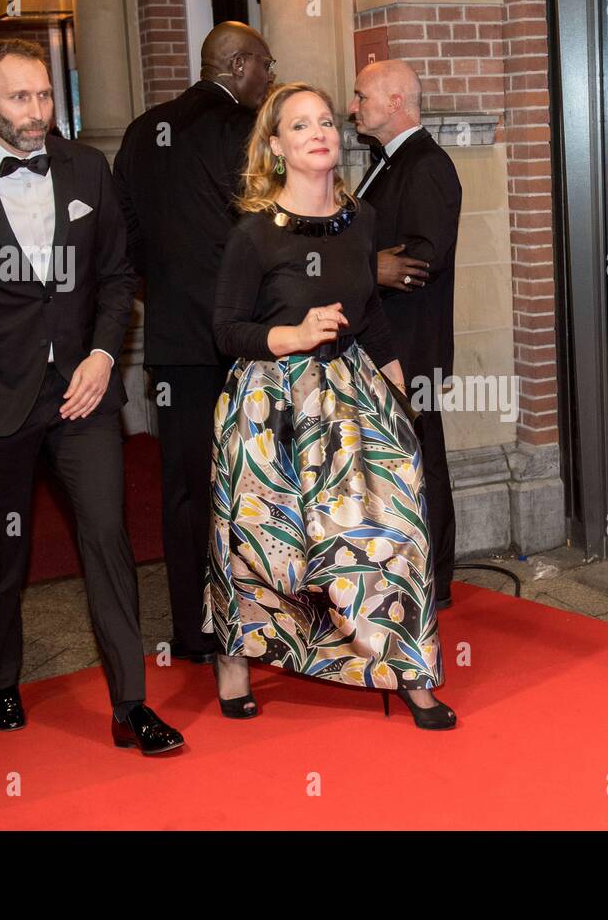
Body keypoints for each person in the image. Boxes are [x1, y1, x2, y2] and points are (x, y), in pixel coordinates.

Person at [0, 38, 184, 755]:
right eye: (20, 98)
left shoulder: (87, 167)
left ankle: (130, 705)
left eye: (45, 96)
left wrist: (101, 354)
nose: (37, 112)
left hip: (82, 395)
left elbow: (119, 274)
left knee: (106, 537)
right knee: (2, 549)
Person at [205, 82, 457, 730]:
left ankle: (410, 669)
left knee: (394, 529)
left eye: (324, 122)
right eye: (300, 126)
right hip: (271, 406)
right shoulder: (254, 235)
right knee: (265, 547)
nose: (319, 132)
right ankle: (236, 655)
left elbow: (369, 314)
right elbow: (226, 329)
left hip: (350, 397)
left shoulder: (360, 220)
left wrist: (401, 387)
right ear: (276, 147)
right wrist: (289, 335)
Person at [113, 21, 272, 667]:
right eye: (265, 63)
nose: (270, 75)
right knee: (248, 483)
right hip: (243, 337)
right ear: (236, 66)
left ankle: (192, 630)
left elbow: (122, 240)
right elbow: (266, 232)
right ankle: (252, 619)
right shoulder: (241, 130)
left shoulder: (140, 132)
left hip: (176, 338)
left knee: (184, 488)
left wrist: (168, 286)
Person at [348, 59, 462, 610]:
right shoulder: (387, 162)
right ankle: (400, 572)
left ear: (395, 102)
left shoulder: (426, 165)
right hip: (381, 341)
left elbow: (424, 257)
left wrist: (366, 265)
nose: (353, 107)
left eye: (361, 96)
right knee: (393, 463)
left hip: (412, 345)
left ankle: (435, 580)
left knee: (422, 459)